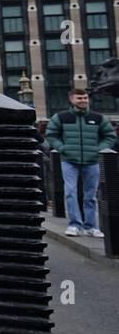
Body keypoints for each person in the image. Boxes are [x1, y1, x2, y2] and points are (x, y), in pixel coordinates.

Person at [46, 87, 117, 238]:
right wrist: (62, 148)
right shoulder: (61, 117)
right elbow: (51, 135)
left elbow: (110, 136)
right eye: (79, 98)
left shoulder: (98, 118)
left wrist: (99, 149)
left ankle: (90, 226)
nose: (83, 100)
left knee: (90, 195)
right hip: (69, 160)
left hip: (92, 161)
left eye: (85, 98)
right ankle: (74, 224)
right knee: (70, 192)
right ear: (71, 99)